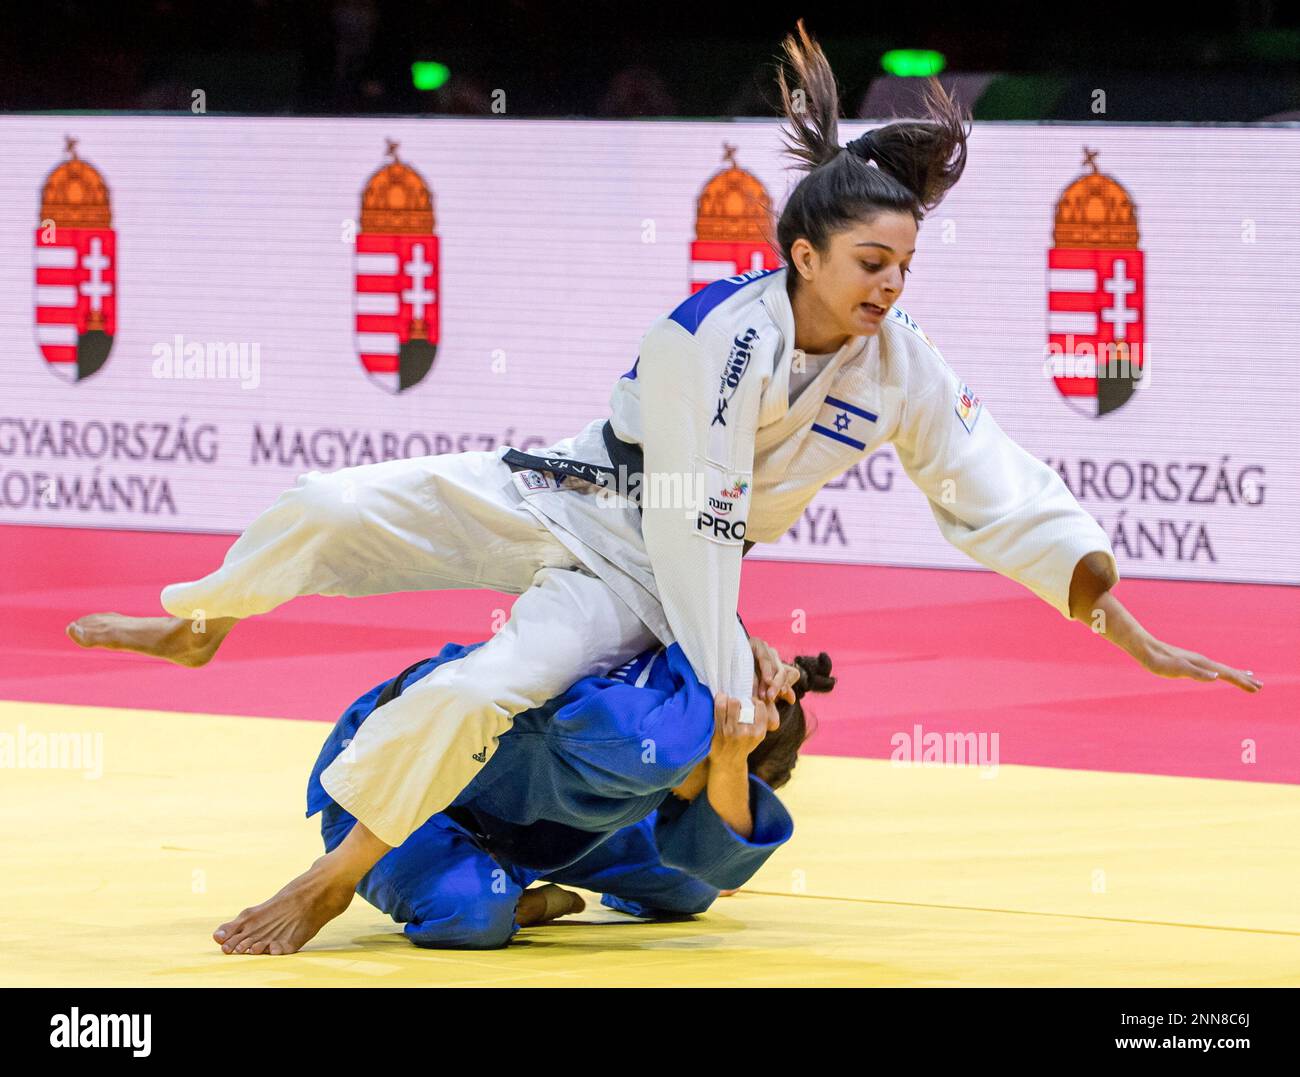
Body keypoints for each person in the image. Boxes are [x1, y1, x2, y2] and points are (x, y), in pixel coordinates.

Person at [72, 19, 1259, 956]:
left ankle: (327, 881)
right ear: (803, 255)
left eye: (903, 263)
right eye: (869, 262)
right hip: (564, 489)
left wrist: (1117, 616)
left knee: (496, 682)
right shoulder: (717, 337)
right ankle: (202, 625)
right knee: (326, 507)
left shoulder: (899, 367)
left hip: (641, 577)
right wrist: (726, 662)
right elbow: (696, 502)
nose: (892, 284)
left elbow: (992, 486)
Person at [214, 642, 831, 953]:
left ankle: (519, 881)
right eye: (718, 781)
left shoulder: (682, 721)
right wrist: (333, 878)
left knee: (691, 886)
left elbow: (713, 861)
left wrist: (724, 768)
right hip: (402, 779)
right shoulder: (633, 734)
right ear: (712, 746)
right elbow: (436, 753)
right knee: (475, 914)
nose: (702, 805)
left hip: (547, 816)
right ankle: (516, 900)